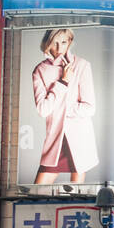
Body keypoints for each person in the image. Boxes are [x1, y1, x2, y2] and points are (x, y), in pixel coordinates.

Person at [32, 27, 97, 186]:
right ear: (47, 44)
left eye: (63, 42)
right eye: (54, 43)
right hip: (56, 137)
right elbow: (42, 109)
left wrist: (63, 109)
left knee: (76, 195)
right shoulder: (40, 70)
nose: (59, 48)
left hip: (80, 137)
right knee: (37, 192)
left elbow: (89, 107)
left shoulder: (82, 65)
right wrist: (63, 82)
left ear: (70, 42)